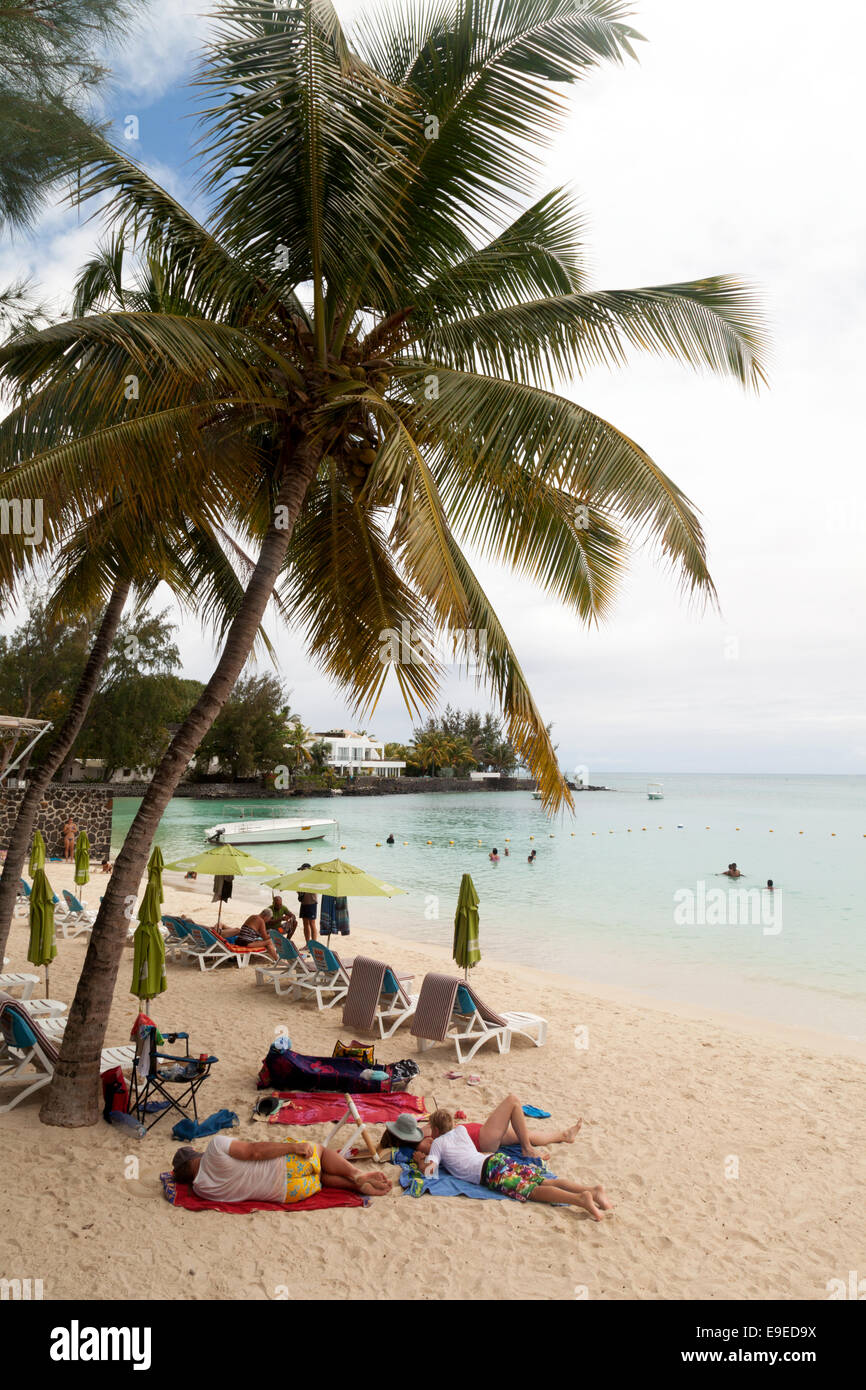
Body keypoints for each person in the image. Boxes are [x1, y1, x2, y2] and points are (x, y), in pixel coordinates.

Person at [392, 1109, 610, 1220]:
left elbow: (430, 1174)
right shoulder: (461, 1130)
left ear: (435, 1130)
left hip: (489, 1172)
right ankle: (592, 1190)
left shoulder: (438, 1142)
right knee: (539, 1179)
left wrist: (421, 1162)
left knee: (532, 1190)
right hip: (495, 1159)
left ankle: (580, 1199)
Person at [171, 1136, 392, 1204]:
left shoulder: (201, 1190)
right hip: (287, 1165)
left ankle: (354, 1186)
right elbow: (254, 1152)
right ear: (194, 1155)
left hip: (291, 1193)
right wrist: (293, 1147)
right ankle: (356, 1175)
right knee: (322, 1153)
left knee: (320, 1178)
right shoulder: (215, 1147)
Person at [382, 1094, 582, 1161]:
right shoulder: (423, 1145)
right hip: (481, 1138)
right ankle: (527, 1150)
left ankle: (564, 1135)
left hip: (479, 1132)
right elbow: (438, 1150)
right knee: (512, 1101)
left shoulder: (421, 1134)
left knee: (524, 1133)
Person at [296, 864, 318, 943]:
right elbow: (299, 892)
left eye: (303, 870)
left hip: (312, 903)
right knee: (305, 924)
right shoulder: (301, 879)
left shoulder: (313, 879)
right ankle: (307, 944)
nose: (301, 871)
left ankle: (314, 944)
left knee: (312, 924)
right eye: (301, 870)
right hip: (304, 903)